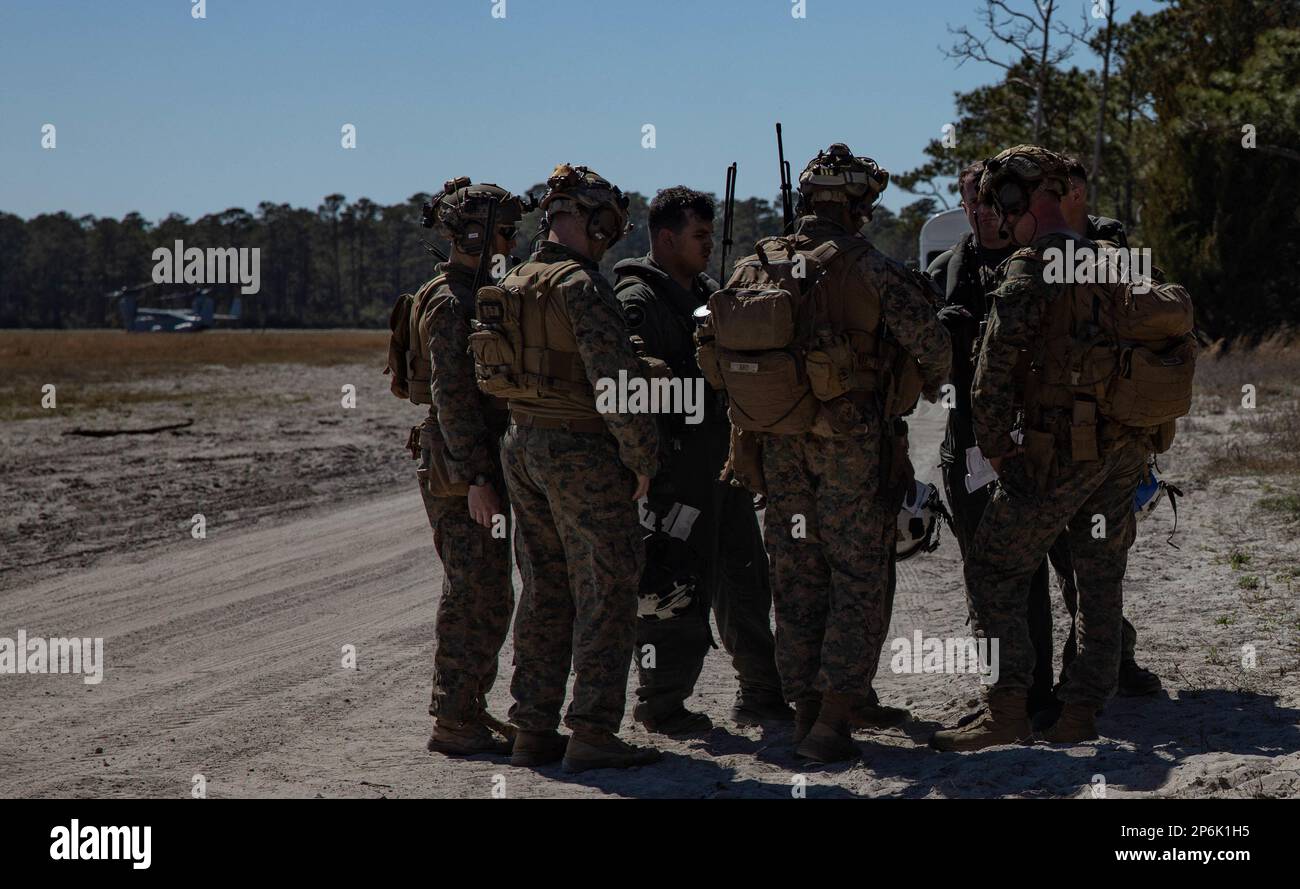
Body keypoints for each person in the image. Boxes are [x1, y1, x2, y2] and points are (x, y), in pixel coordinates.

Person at [715, 144, 949, 763]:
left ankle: (805, 714)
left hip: (777, 445)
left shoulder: (754, 264)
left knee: (795, 577)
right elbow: (935, 346)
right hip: (848, 446)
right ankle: (834, 718)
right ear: (857, 206)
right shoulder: (868, 267)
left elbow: (713, 349)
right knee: (858, 576)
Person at [931, 146, 1153, 752]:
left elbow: (991, 376)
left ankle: (1008, 709)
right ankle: (1079, 714)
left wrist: (1000, 453)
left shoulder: (1027, 268)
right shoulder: (1114, 262)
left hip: (1054, 454)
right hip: (1120, 452)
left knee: (995, 568)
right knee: (1099, 582)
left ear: (1012, 201)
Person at [479, 164, 663, 773]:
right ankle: (592, 732)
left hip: (523, 444)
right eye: (606, 222)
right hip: (581, 450)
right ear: (588, 219)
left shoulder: (518, 279)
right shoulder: (581, 286)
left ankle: (532, 726)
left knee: (545, 589)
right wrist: (642, 458)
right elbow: (616, 382)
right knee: (606, 589)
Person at [613, 186, 789, 736]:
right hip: (675, 472)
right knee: (675, 586)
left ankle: (762, 692)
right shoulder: (638, 301)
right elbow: (635, 387)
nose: (709, 245)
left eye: (712, 234)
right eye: (699, 236)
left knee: (745, 581)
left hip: (725, 465)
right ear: (666, 239)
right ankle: (661, 703)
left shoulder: (711, 292)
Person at [397, 179, 527, 756]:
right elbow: (451, 396)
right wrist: (478, 477)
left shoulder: (461, 290)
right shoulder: (452, 302)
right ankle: (454, 718)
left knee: (487, 588)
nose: (510, 242)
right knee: (474, 589)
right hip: (461, 465)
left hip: (463, 458)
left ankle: (467, 708)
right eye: (503, 232)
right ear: (473, 234)